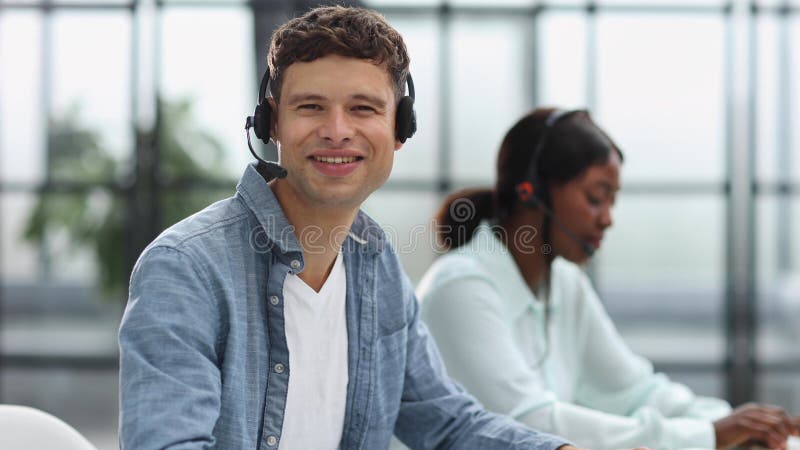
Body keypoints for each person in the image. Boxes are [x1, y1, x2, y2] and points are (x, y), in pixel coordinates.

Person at [118, 7, 584, 450]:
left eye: (363, 108)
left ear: (400, 127)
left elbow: (445, 419)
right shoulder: (185, 270)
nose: (337, 130)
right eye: (311, 107)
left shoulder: (375, 261)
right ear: (271, 122)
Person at [417, 108, 800, 450]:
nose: (608, 218)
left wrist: (743, 426)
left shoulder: (564, 283)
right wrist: (708, 436)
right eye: (596, 197)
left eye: (613, 201)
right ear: (530, 192)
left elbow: (634, 391)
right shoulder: (461, 287)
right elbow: (527, 423)